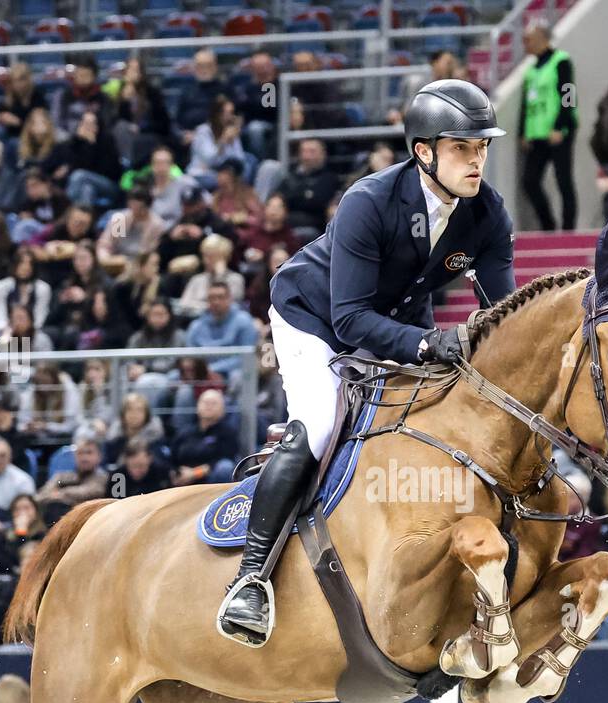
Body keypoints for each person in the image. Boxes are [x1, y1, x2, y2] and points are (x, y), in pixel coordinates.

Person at [218, 79, 516, 645]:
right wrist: (429, 345)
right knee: (322, 423)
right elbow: (351, 320)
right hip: (315, 318)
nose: (477, 159)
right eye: (462, 147)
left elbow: (501, 314)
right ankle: (250, 580)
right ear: (423, 152)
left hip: (399, 319)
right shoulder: (368, 201)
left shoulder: (489, 216)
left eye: (481, 147)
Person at [519, 21, 577, 232]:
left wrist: (560, 126)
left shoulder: (561, 61)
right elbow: (525, 105)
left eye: (529, 39)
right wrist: (523, 133)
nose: (526, 44)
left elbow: (569, 95)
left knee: (564, 181)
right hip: (537, 135)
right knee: (530, 181)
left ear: (542, 38)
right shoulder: (531, 70)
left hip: (558, 133)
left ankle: (569, 229)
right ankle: (548, 225)